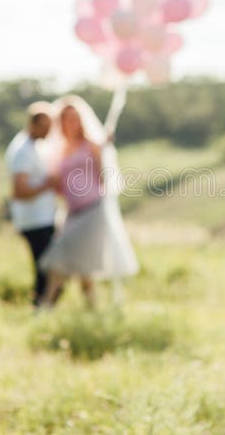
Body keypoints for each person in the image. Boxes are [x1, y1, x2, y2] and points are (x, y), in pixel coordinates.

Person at [38, 94, 138, 308]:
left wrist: (105, 148)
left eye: (74, 117)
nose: (71, 122)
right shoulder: (60, 149)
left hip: (93, 211)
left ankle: (46, 307)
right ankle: (89, 309)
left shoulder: (92, 145)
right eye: (66, 118)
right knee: (82, 269)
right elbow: (59, 187)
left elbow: (105, 178)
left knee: (62, 262)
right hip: (72, 214)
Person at [4, 101, 58, 307]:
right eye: (46, 126)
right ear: (34, 124)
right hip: (34, 220)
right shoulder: (23, 151)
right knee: (45, 268)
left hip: (41, 218)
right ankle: (40, 309)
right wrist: (48, 184)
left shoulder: (32, 146)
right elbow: (20, 191)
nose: (49, 131)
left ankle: (44, 308)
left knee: (46, 267)